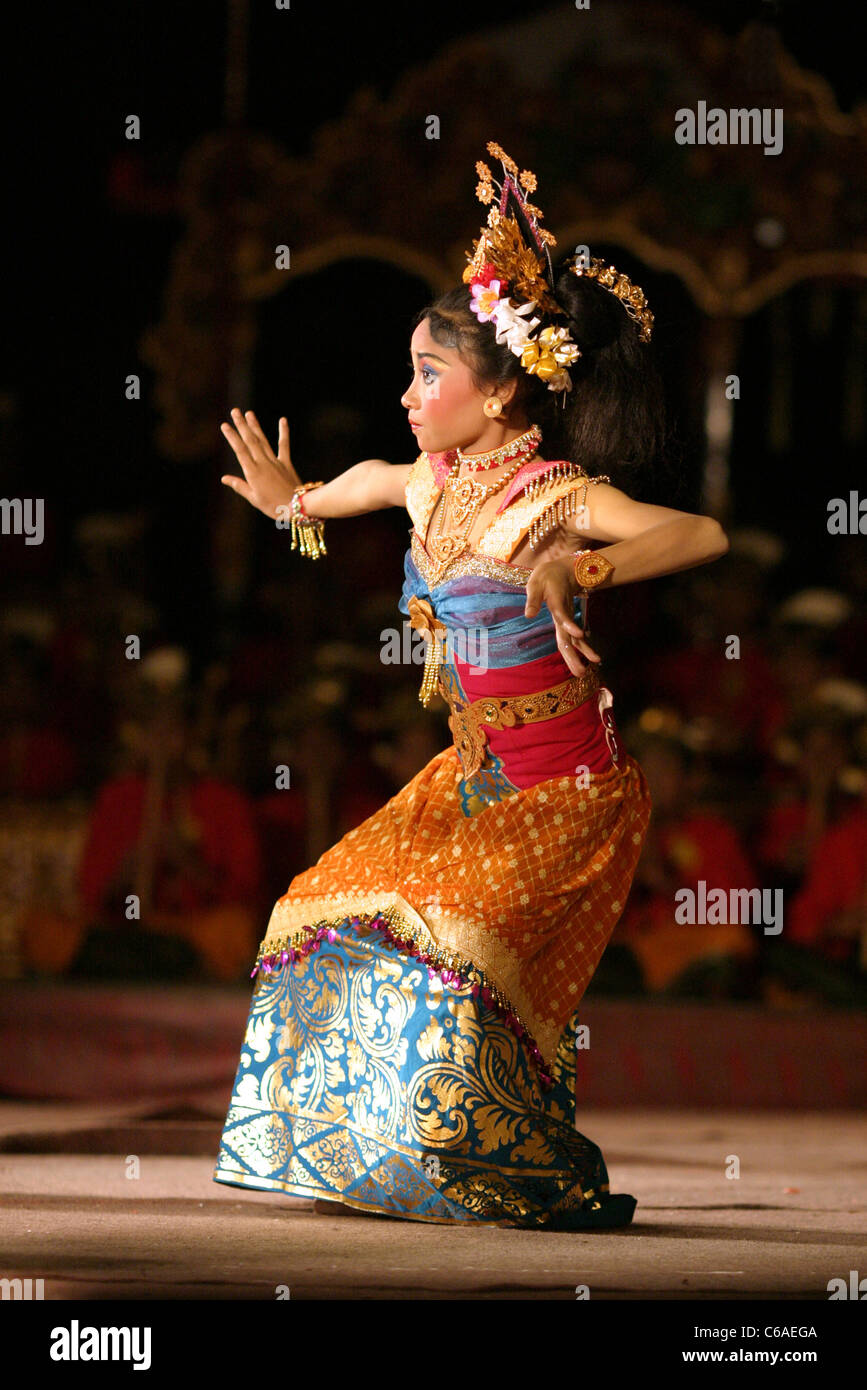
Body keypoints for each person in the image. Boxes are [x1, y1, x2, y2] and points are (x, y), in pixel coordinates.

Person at [211, 143, 728, 1229]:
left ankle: (514, 1168)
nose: (406, 395)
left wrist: (577, 562)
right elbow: (363, 484)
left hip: (571, 796)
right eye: (409, 370)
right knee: (314, 909)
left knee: (459, 950)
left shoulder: (556, 493)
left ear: (498, 390)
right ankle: (387, 1158)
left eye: (428, 375)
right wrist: (292, 504)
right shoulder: (430, 483)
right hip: (473, 784)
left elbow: (700, 530)